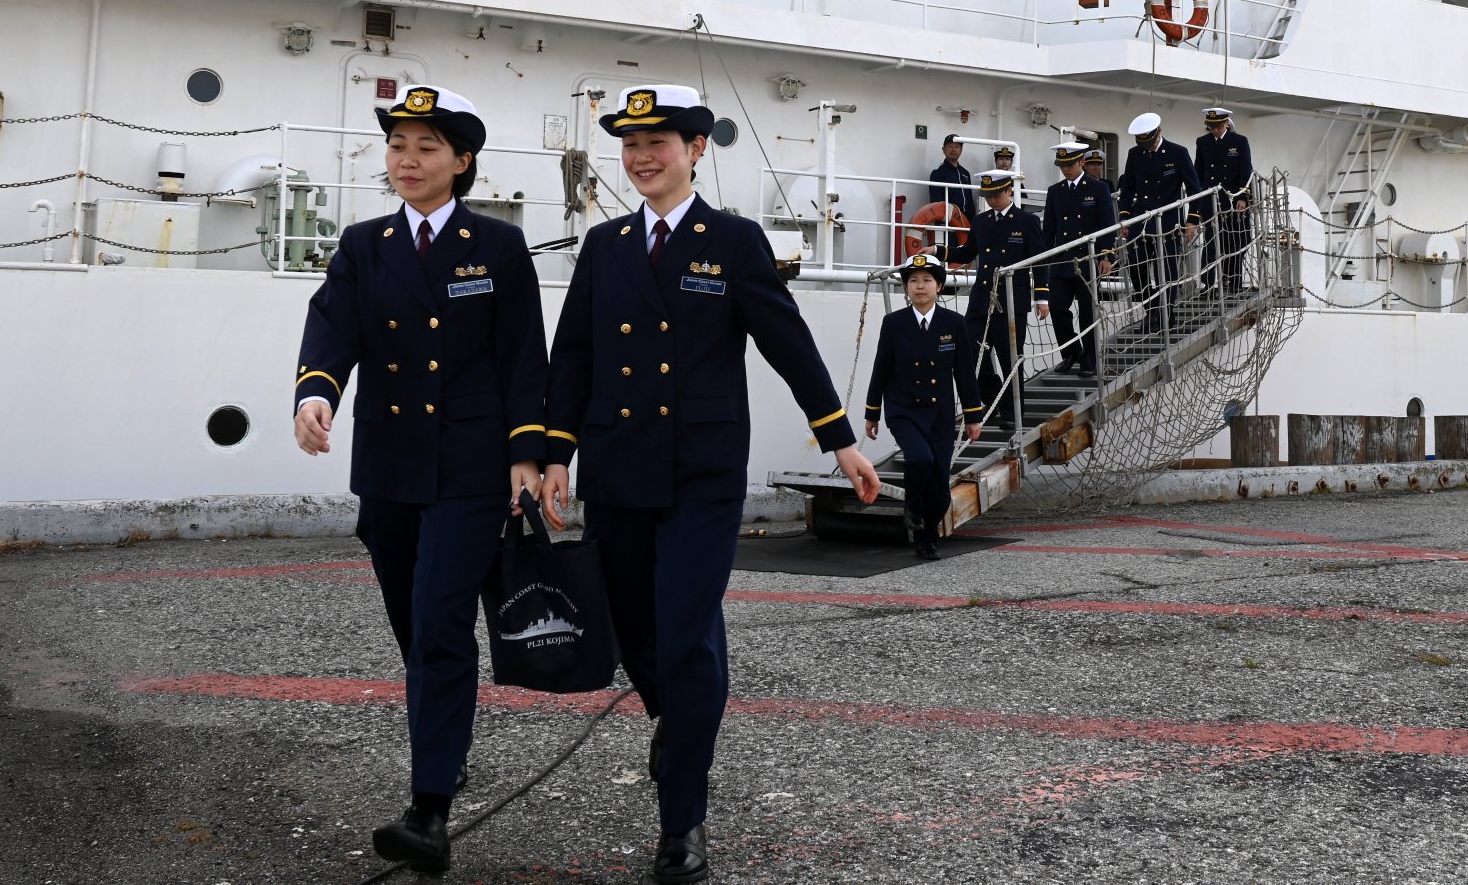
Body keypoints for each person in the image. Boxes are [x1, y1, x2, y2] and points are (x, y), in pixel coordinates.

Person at [541, 84, 879, 885]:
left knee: (687, 632)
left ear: (697, 148)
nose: (641, 154)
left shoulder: (732, 240)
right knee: (627, 626)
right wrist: (557, 452)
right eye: (630, 142)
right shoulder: (606, 245)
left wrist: (841, 440)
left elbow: (786, 340)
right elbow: (576, 354)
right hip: (619, 466)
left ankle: (682, 823)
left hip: (700, 472)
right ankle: (675, 720)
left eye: (659, 140)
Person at [292, 85, 550, 875]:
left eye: (427, 147)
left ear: (462, 161)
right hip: (392, 463)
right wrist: (316, 390)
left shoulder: (498, 246)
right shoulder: (364, 244)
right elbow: (333, 323)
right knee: (416, 624)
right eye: (399, 145)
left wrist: (527, 454)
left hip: (471, 468)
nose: (407, 159)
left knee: (440, 623)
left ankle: (429, 808)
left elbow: (521, 356)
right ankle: (449, 736)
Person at [863, 253, 981, 560]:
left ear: (939, 286)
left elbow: (964, 372)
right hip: (904, 410)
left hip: (940, 414)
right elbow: (881, 368)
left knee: (940, 490)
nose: (920, 286)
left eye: (927, 280)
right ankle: (912, 507)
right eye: (913, 281)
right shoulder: (894, 323)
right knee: (918, 459)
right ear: (906, 288)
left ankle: (926, 536)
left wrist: (972, 416)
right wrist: (871, 412)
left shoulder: (954, 323)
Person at [941, 169, 1047, 435]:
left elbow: (1039, 260)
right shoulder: (981, 221)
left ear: (1009, 190)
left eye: (996, 195)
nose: (992, 200)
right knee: (966, 350)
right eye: (988, 195)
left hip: (1011, 300)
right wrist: (940, 251)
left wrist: (1042, 296)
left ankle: (1012, 413)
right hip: (981, 299)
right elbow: (967, 252)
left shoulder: (1026, 221)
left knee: (1010, 357)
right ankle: (993, 396)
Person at [1116, 112, 1201, 332]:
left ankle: (1166, 313)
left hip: (1169, 221)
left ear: (1159, 132)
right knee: (1136, 266)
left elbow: (1194, 189)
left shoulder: (1178, 153)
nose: (1148, 147)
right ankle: (1152, 308)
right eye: (1143, 143)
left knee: (1169, 270)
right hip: (1141, 221)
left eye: (1150, 141)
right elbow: (1127, 188)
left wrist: (1191, 221)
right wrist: (1124, 217)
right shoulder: (1135, 154)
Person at [1041, 141, 1116, 375]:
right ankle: (1072, 352)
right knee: (1057, 307)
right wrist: (1044, 262)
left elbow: (1107, 225)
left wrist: (1107, 256)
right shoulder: (1055, 191)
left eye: (1070, 164)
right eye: (1062, 165)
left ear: (1082, 162)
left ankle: (1090, 358)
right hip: (1062, 259)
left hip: (1088, 260)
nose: (1066, 169)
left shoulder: (1098, 188)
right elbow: (1049, 230)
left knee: (1087, 311)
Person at [1194, 107, 1256, 293]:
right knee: (1211, 243)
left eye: (1217, 126)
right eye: (1211, 127)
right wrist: (1197, 201)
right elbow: (1199, 170)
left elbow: (1245, 171)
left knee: (1238, 241)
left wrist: (1243, 197)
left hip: (1234, 200)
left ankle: (1233, 280)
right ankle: (1208, 284)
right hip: (1211, 200)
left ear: (1226, 123)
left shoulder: (1239, 141)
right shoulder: (1202, 142)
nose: (1214, 130)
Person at [925, 134, 972, 214]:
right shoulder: (937, 172)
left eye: (957, 147)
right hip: (947, 222)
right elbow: (935, 202)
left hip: (966, 223)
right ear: (943, 149)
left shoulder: (965, 173)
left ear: (961, 150)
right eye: (950, 146)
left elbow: (970, 202)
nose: (953, 150)